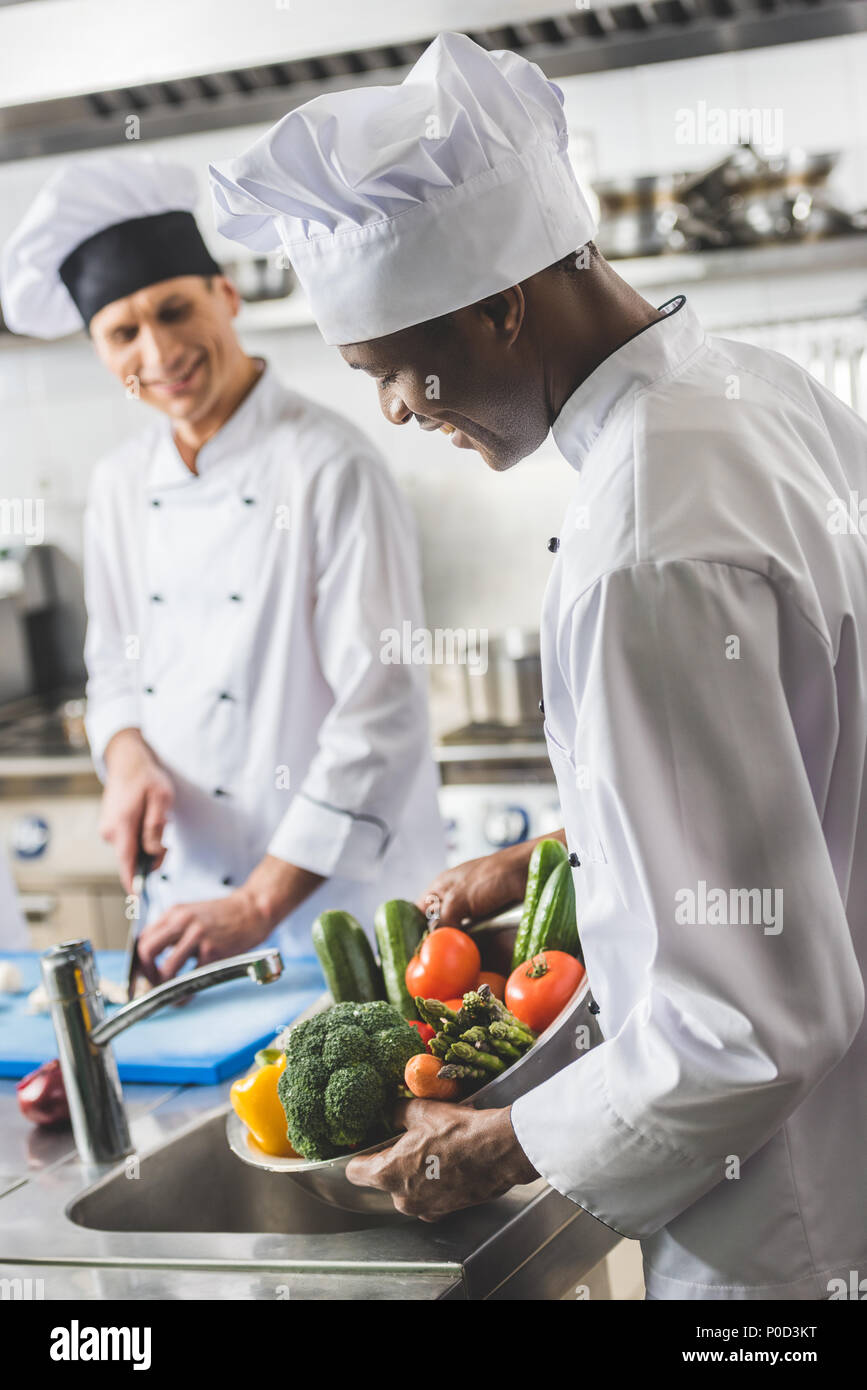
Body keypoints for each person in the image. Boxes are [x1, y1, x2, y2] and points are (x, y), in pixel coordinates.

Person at [209, 31, 867, 1300]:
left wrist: (492, 1146)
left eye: (389, 369)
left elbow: (746, 1031)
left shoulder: (644, 543)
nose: (398, 410)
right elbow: (806, 754)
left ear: (501, 304)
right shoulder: (759, 395)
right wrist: (577, 851)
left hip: (785, 1227)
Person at [0, 154, 445, 979]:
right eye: (124, 332)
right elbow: (115, 670)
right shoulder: (119, 485)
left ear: (225, 296)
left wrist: (261, 902)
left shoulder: (329, 467)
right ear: (100, 349)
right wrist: (125, 754)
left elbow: (379, 713)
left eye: (174, 309)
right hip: (192, 911)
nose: (161, 350)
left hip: (334, 914)